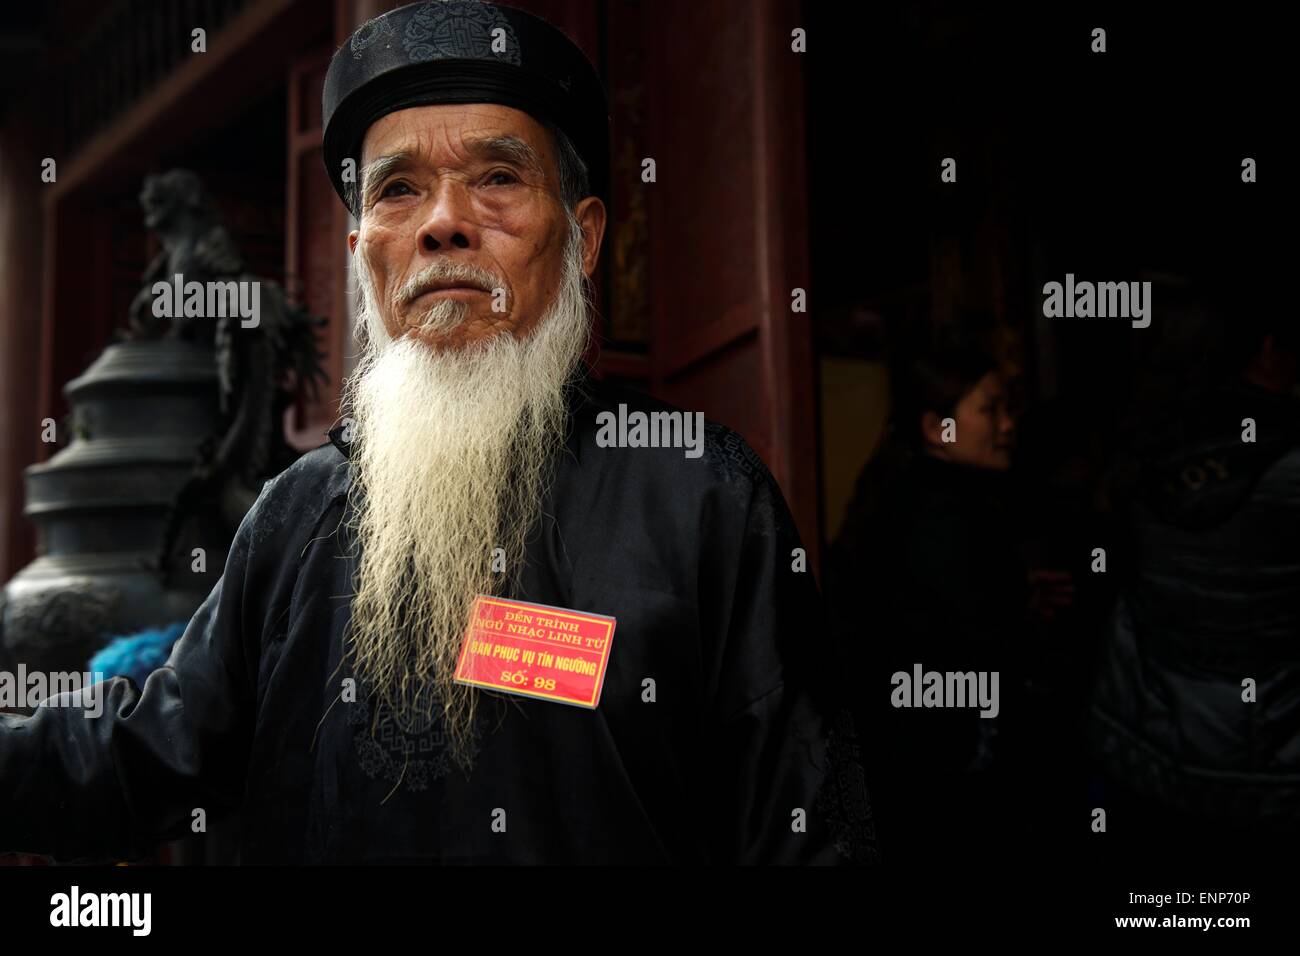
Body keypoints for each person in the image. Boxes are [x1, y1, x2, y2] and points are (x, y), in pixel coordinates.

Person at [0, 1, 874, 865]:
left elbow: (807, 829)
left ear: (583, 237)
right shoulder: (296, 514)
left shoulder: (699, 492)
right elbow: (150, 748)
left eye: (498, 178)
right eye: (398, 189)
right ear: (360, 249)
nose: (441, 222)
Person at [1088, 308, 1300, 869]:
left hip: (1150, 745)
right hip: (1266, 764)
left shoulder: (1145, 446)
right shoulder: (1285, 466)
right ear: (1271, 350)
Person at [828, 345, 1044, 865]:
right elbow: (980, 635)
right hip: (940, 755)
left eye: (1007, 409)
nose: (1007, 425)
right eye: (990, 410)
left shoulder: (903, 493)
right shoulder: (936, 510)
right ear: (935, 428)